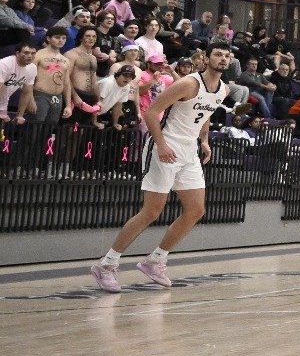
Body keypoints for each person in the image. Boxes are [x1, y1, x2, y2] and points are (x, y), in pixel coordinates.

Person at [88, 41, 233, 291]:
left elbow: (205, 115)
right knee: (151, 212)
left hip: (189, 151)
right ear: (206, 58)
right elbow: (151, 112)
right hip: (165, 146)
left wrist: (205, 141)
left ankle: (155, 260)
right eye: (218, 54)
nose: (223, 58)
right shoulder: (188, 83)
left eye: (227, 56)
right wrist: (162, 144)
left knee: (196, 210)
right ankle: (106, 264)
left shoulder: (224, 90)